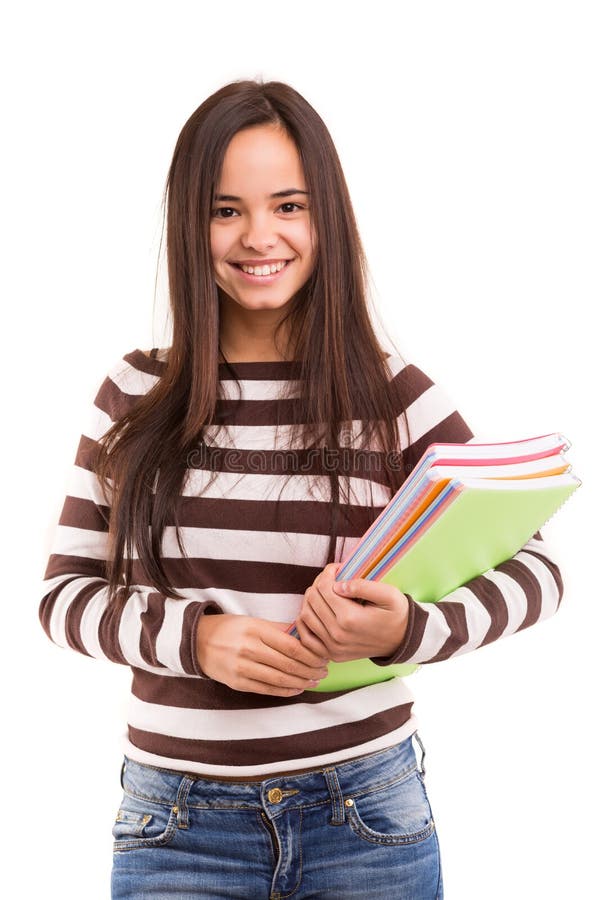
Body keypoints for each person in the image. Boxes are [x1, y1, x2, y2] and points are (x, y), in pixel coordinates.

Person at [39, 79, 564, 900]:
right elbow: (63, 596)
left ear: (327, 218)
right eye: (225, 210)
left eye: (289, 205)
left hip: (364, 819)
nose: (260, 237)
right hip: (175, 826)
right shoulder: (133, 393)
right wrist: (197, 640)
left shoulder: (394, 396)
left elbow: (538, 572)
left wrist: (406, 629)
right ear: (189, 224)